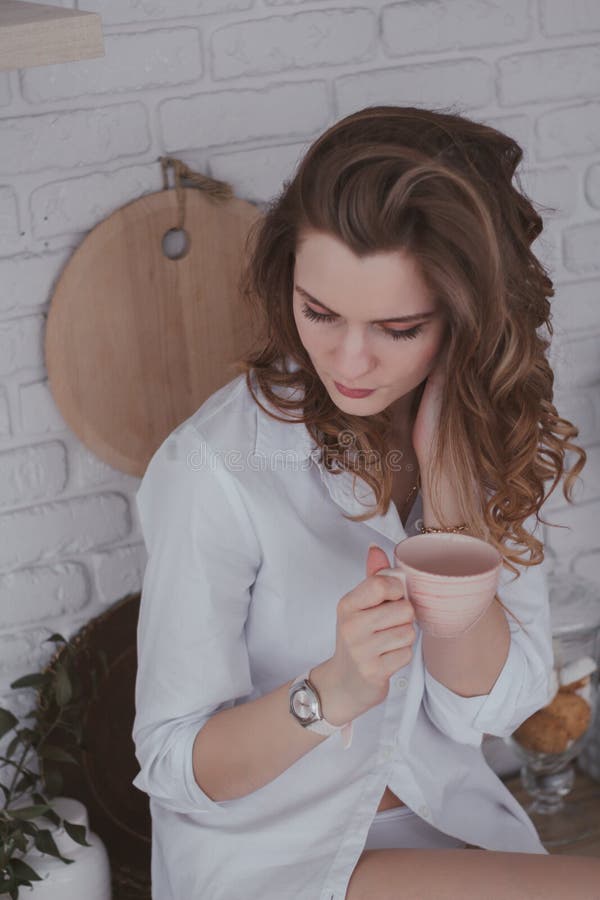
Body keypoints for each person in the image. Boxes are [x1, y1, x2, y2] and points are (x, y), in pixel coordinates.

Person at [132, 106, 599, 899]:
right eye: (320, 314)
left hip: (445, 824)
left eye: (399, 327)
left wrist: (453, 508)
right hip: (267, 854)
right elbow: (177, 766)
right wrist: (331, 691)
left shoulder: (475, 435)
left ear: (464, 317)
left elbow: (497, 707)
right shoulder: (215, 468)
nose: (350, 361)